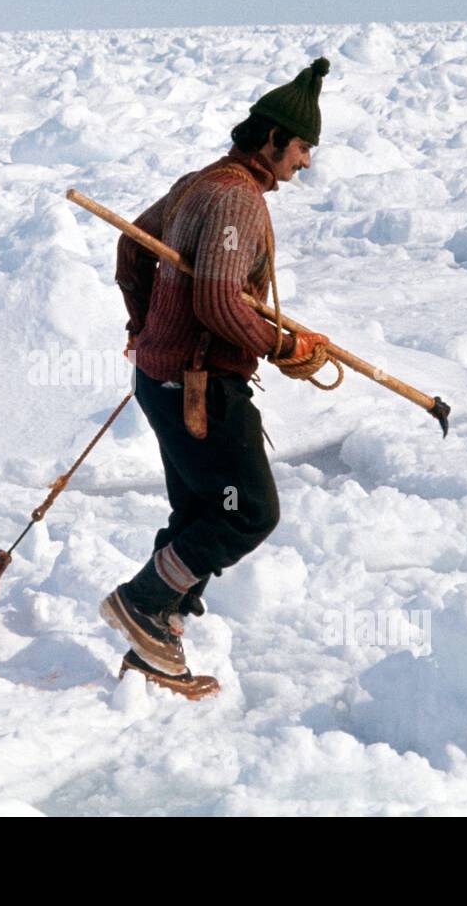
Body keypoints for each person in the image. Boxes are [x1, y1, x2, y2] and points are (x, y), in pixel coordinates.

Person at [100, 57, 333, 696]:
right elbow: (219, 303)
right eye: (302, 146)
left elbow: (132, 250)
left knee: (204, 509)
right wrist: (283, 347)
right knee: (246, 513)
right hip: (199, 389)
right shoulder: (236, 199)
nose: (305, 162)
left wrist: (145, 324)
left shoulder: (196, 184)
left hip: (164, 380)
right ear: (270, 140)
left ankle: (155, 648)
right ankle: (145, 601)